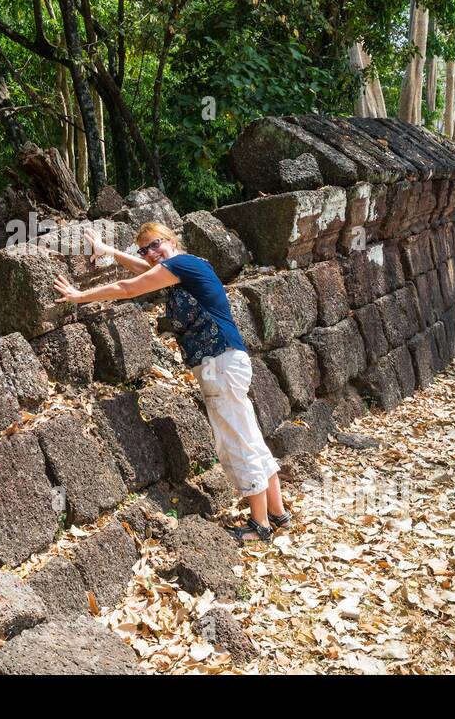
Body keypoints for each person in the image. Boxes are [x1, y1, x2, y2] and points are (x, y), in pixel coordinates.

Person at [52, 221, 291, 543]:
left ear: (171, 241)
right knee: (248, 436)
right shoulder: (185, 267)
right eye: (144, 249)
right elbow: (145, 271)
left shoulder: (179, 264)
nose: (150, 253)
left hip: (217, 362)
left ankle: (259, 525)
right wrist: (110, 252)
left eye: (155, 245)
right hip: (226, 361)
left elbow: (129, 288)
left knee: (237, 442)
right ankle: (277, 514)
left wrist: (80, 296)